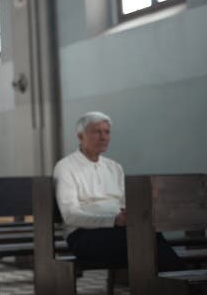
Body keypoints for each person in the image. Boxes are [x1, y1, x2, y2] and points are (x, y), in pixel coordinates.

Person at [54, 111, 183, 271]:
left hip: (117, 232)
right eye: (96, 132)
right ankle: (182, 289)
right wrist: (113, 220)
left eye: (107, 132)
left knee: (148, 235)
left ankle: (172, 288)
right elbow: (70, 215)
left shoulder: (114, 167)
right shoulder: (65, 167)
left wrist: (131, 216)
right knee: (146, 240)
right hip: (83, 236)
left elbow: (124, 206)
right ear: (80, 136)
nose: (103, 137)